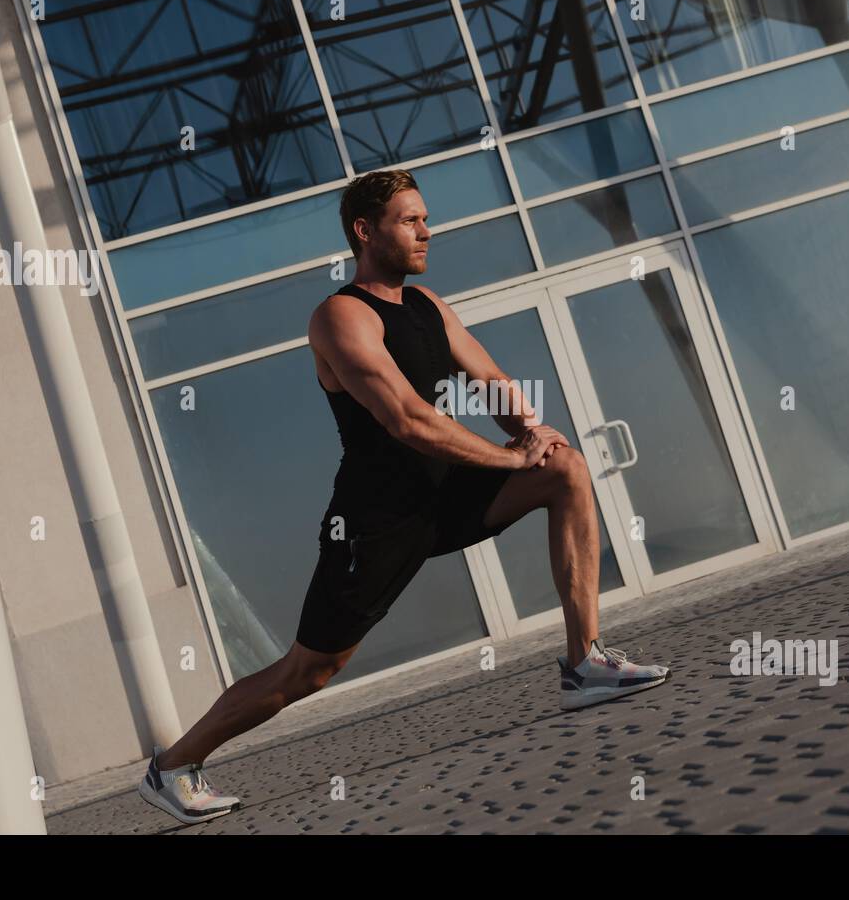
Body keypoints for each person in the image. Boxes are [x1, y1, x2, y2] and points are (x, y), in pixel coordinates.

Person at [139, 169, 669, 825]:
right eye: (410, 220)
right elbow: (407, 420)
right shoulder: (339, 317)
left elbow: (492, 378)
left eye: (425, 218)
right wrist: (508, 456)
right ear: (366, 232)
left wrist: (531, 434)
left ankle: (583, 663)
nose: (426, 230)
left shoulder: (428, 307)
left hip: (447, 490)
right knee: (309, 671)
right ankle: (172, 767)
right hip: (376, 519)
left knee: (565, 470)